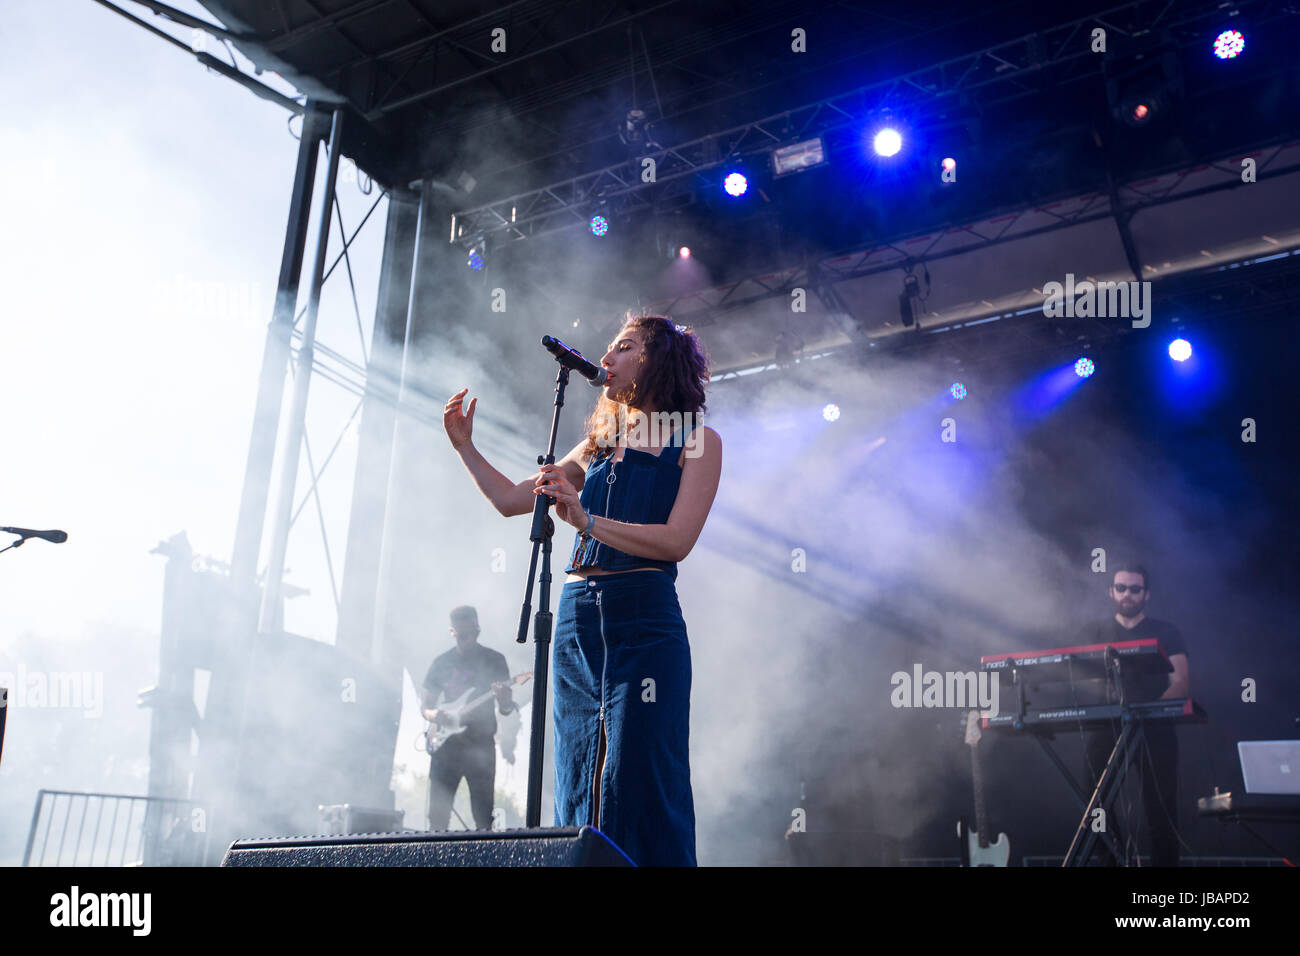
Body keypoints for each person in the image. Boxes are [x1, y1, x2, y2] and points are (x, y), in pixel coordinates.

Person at [443, 314, 721, 866]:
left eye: (624, 346)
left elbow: (677, 540)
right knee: (575, 766)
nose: (609, 357)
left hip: (643, 615)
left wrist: (588, 521)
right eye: (610, 347)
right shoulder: (597, 443)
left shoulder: (698, 441)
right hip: (574, 621)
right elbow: (511, 500)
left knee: (638, 769)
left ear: (656, 358)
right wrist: (464, 447)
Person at [1075, 564, 1190, 866]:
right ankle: (1111, 861)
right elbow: (1086, 678)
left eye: (1135, 589)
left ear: (1146, 594)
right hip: (1107, 724)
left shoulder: (1166, 631)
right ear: (1111, 591)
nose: (1128, 594)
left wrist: (1149, 712)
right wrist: (1110, 698)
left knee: (1160, 806)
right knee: (1095, 802)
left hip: (1155, 727)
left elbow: (1180, 682)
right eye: (1121, 588)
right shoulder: (1094, 632)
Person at [421, 605, 516, 831]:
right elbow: (426, 705)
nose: (468, 639)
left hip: (481, 746)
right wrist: (435, 715)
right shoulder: (441, 662)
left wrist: (504, 700)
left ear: (478, 630)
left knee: (483, 818)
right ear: (452, 632)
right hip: (446, 747)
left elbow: (505, 709)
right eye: (462, 635)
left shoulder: (494, 660)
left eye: (472, 634)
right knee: (437, 817)